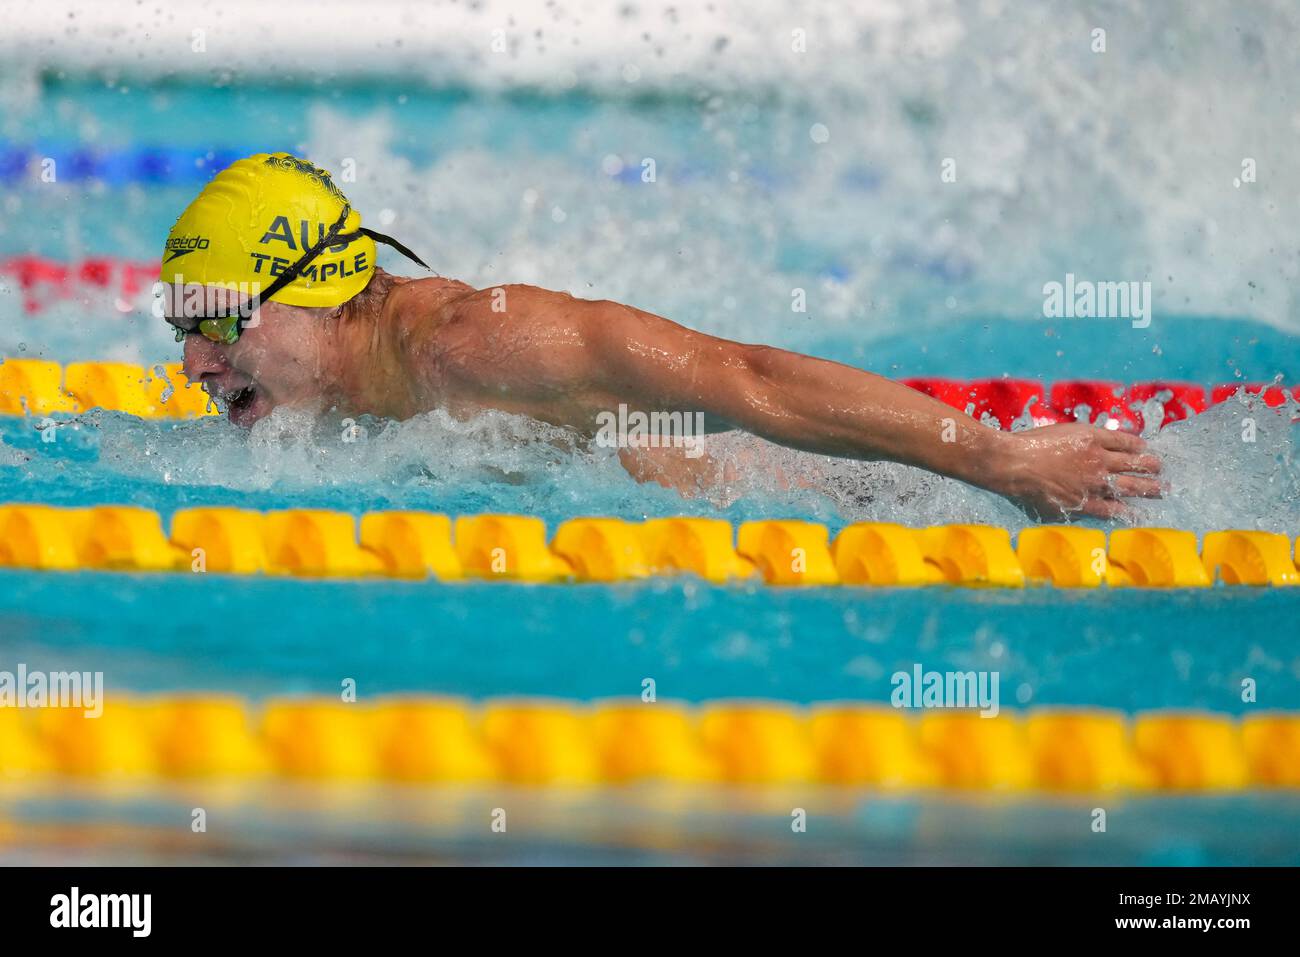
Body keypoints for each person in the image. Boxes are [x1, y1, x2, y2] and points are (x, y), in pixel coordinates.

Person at [162, 153, 1160, 518]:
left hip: (847, 512)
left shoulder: (481, 346)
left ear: (323, 284)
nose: (196, 364)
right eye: (178, 329)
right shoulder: (310, 408)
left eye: (214, 322)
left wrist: (1004, 460)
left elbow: (749, 379)